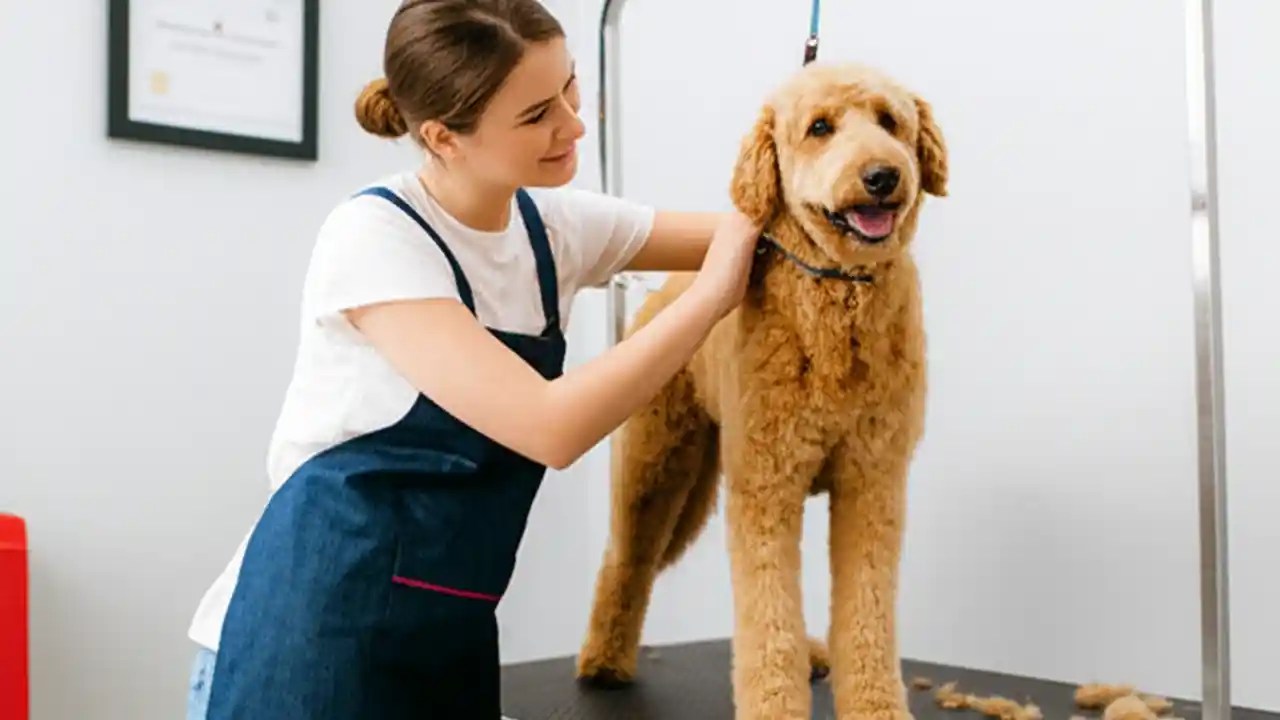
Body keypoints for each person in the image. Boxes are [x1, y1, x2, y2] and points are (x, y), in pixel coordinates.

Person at [183, 0, 760, 718]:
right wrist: (707, 300)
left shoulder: (553, 228)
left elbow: (751, 234)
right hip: (308, 636)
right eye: (538, 114)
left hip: (444, 635)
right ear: (443, 137)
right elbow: (551, 427)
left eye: (570, 87)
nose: (574, 125)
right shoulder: (375, 238)